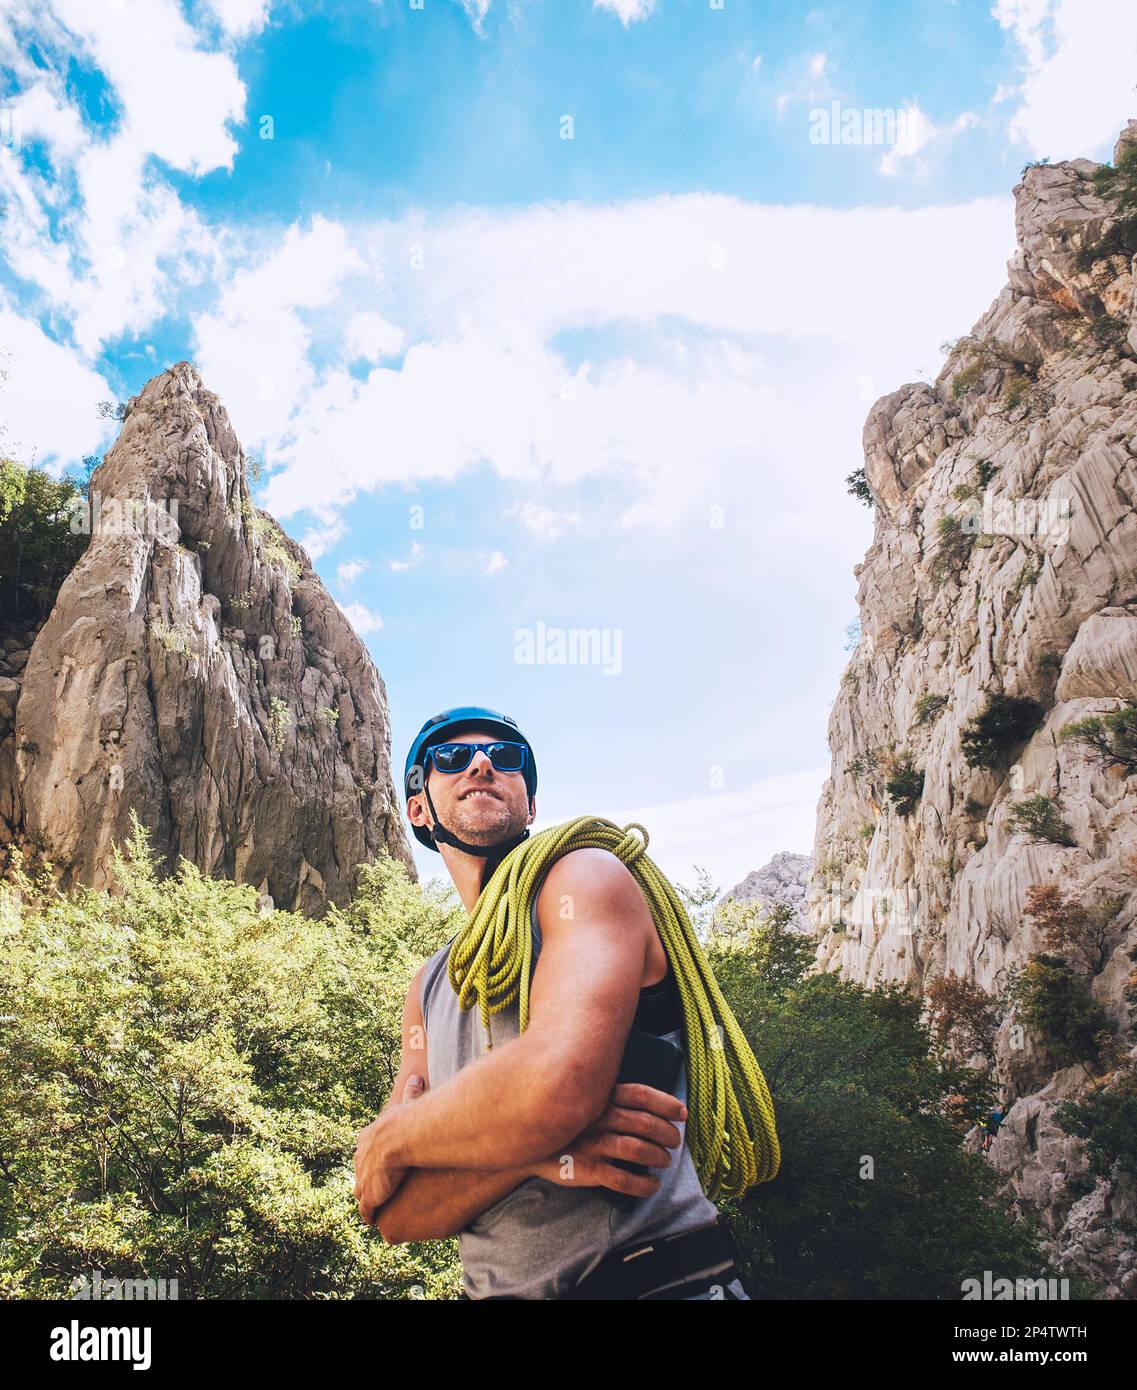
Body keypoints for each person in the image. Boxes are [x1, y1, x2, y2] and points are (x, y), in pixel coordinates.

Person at [353, 706, 751, 1300]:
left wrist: (389, 1138)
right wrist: (532, 1154)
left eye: (506, 758)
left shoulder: (585, 878)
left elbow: (556, 1088)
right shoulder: (428, 985)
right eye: (451, 757)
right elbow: (394, 1214)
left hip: (655, 1282)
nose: (483, 762)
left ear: (530, 806)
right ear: (418, 809)